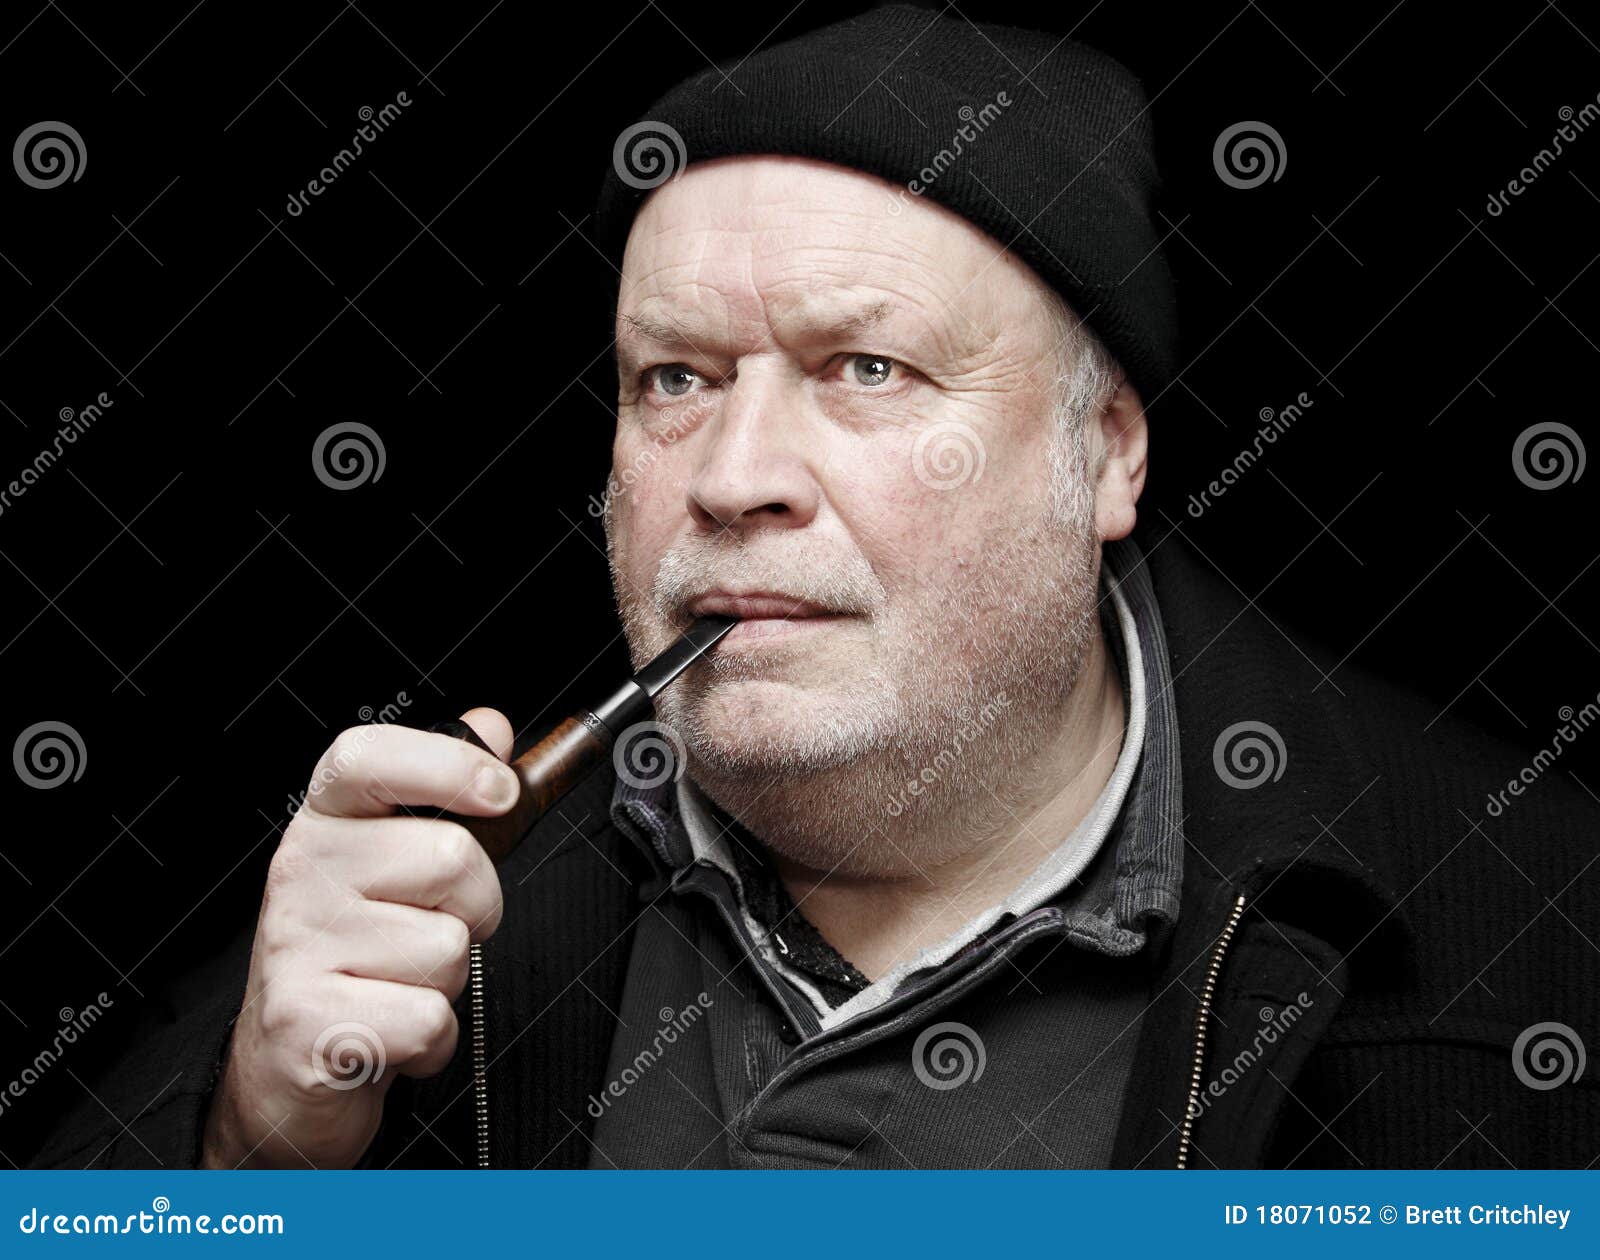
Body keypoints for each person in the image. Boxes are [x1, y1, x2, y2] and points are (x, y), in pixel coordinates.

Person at [32, 3, 1597, 1171]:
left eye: (868, 367)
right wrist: (249, 1142)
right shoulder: (438, 906)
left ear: (1106, 453)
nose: (730, 477)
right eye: (674, 381)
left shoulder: (1522, 921)